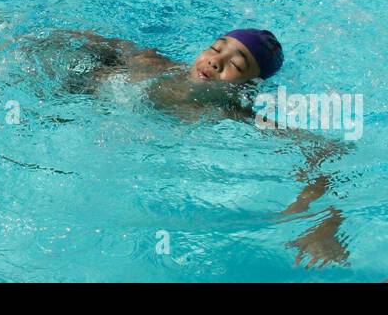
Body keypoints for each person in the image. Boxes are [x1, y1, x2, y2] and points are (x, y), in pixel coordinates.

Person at [25, 27, 350, 267]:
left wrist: (324, 222)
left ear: (248, 87)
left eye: (235, 64)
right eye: (215, 48)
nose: (215, 61)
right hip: (77, 90)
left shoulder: (231, 114)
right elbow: (101, 42)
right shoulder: (152, 64)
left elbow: (326, 151)